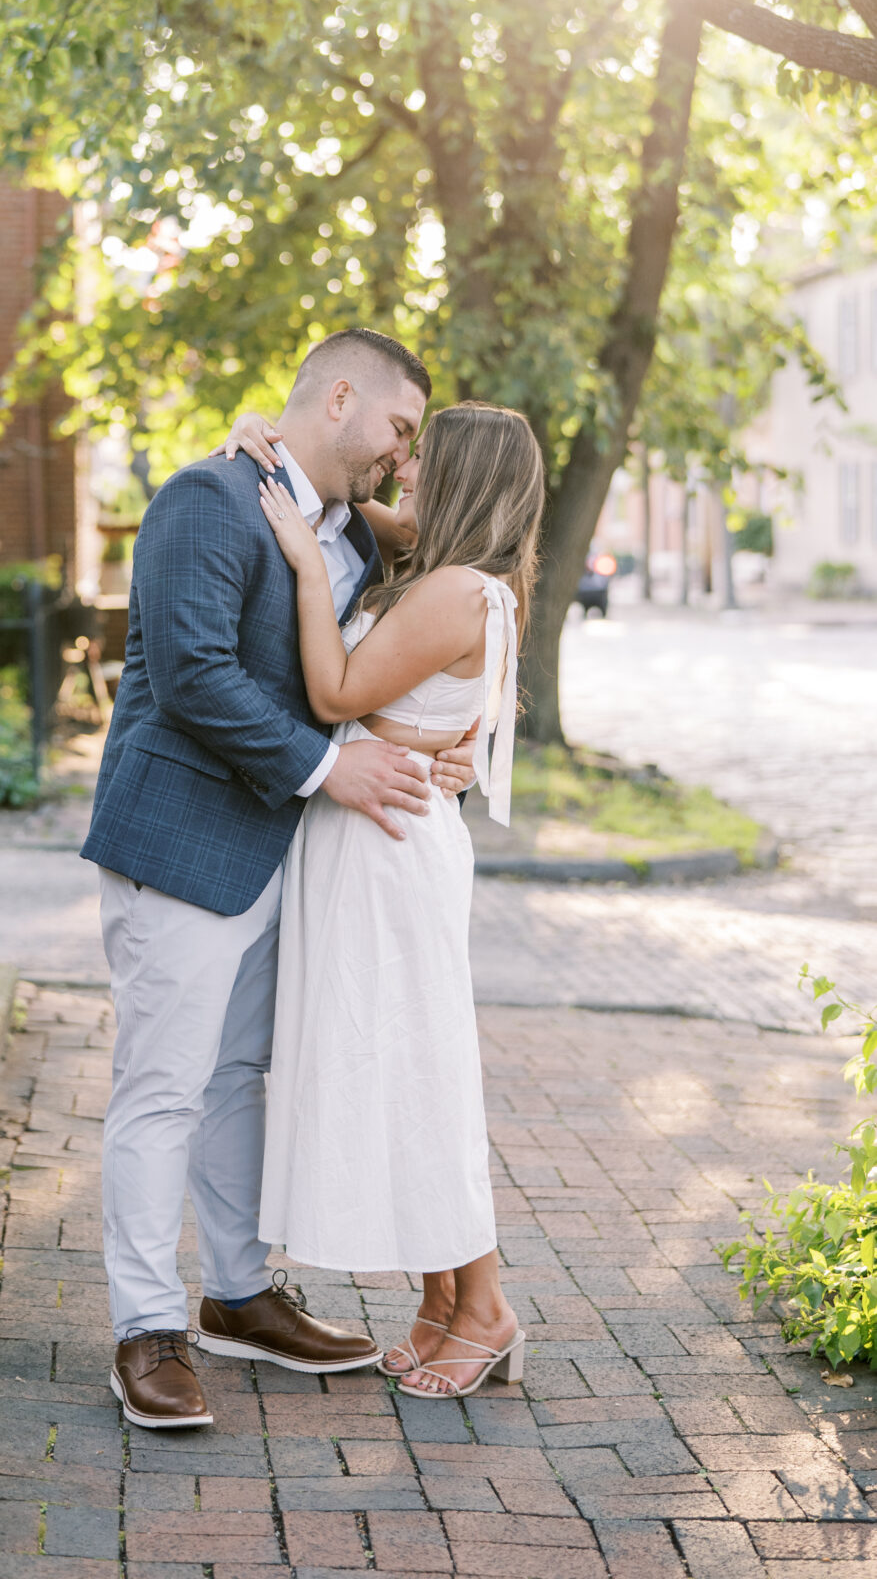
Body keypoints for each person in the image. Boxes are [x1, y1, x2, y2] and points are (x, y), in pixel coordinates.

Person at [82, 328, 478, 1430]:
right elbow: (196, 674)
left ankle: (240, 1293)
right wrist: (331, 766)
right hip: (181, 840)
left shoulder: (348, 525)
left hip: (277, 851)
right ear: (340, 395)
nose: (403, 457)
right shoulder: (205, 498)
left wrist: (435, 743)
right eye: (399, 428)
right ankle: (145, 1326)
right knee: (162, 1086)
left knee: (239, 1076)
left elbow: (413, 627)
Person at [252, 401, 544, 1398]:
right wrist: (273, 439)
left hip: (388, 846)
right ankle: (439, 1299)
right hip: (376, 835)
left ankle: (488, 1307)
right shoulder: (465, 574)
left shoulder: (457, 589)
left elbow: (333, 693)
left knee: (424, 1077)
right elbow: (350, 496)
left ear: (463, 475)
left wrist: (299, 559)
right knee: (396, 1066)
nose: (404, 464)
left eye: (427, 454)